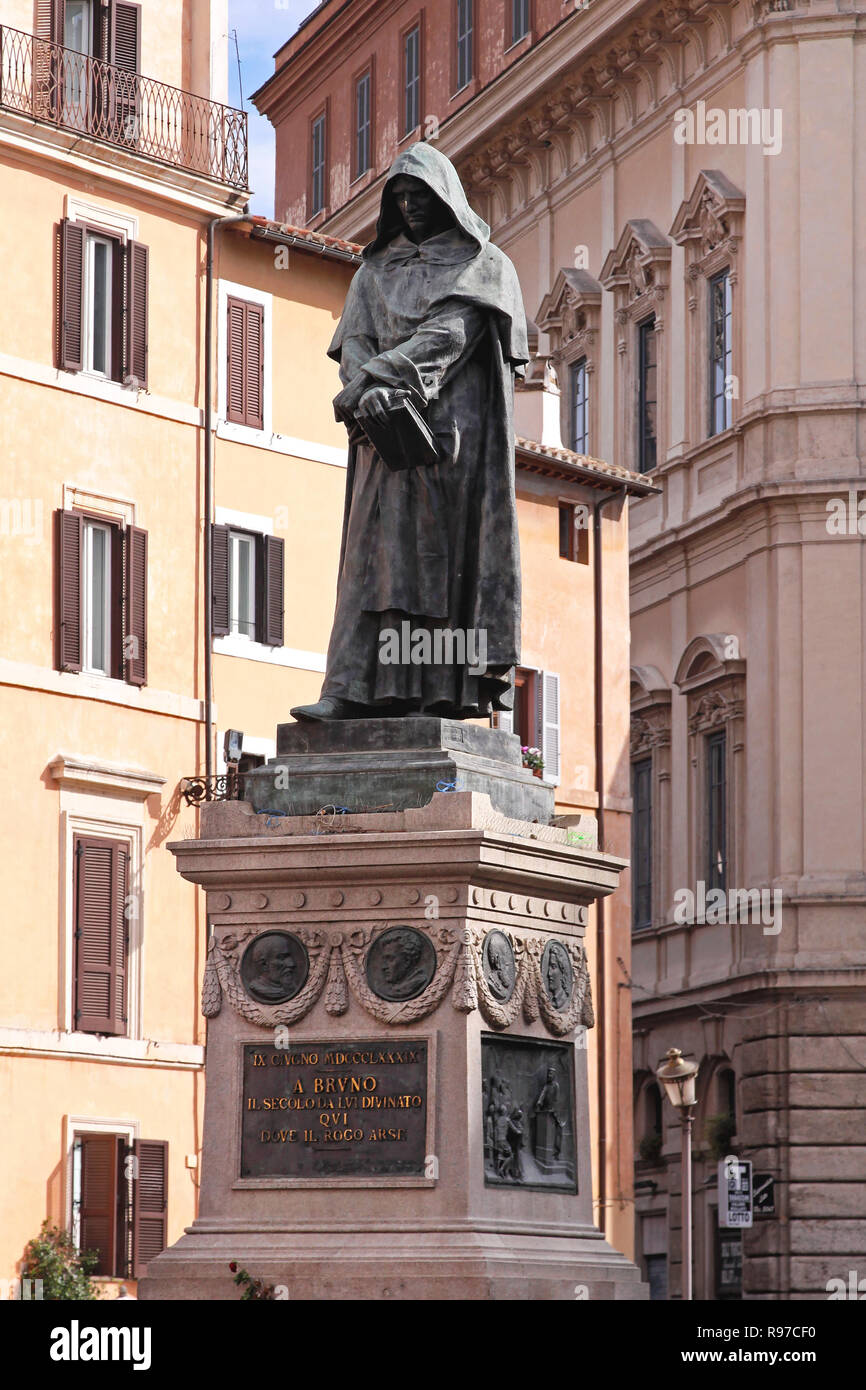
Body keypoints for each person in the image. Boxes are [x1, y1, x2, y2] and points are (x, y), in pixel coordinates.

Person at [290, 142, 528, 723]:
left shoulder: (485, 266)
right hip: (383, 437)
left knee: (444, 566)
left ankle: (440, 693)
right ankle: (349, 688)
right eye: (400, 196)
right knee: (372, 563)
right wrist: (364, 387)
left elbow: (449, 336)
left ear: (445, 197)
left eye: (419, 194)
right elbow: (354, 341)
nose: (409, 204)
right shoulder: (374, 272)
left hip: (453, 445)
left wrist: (370, 381)